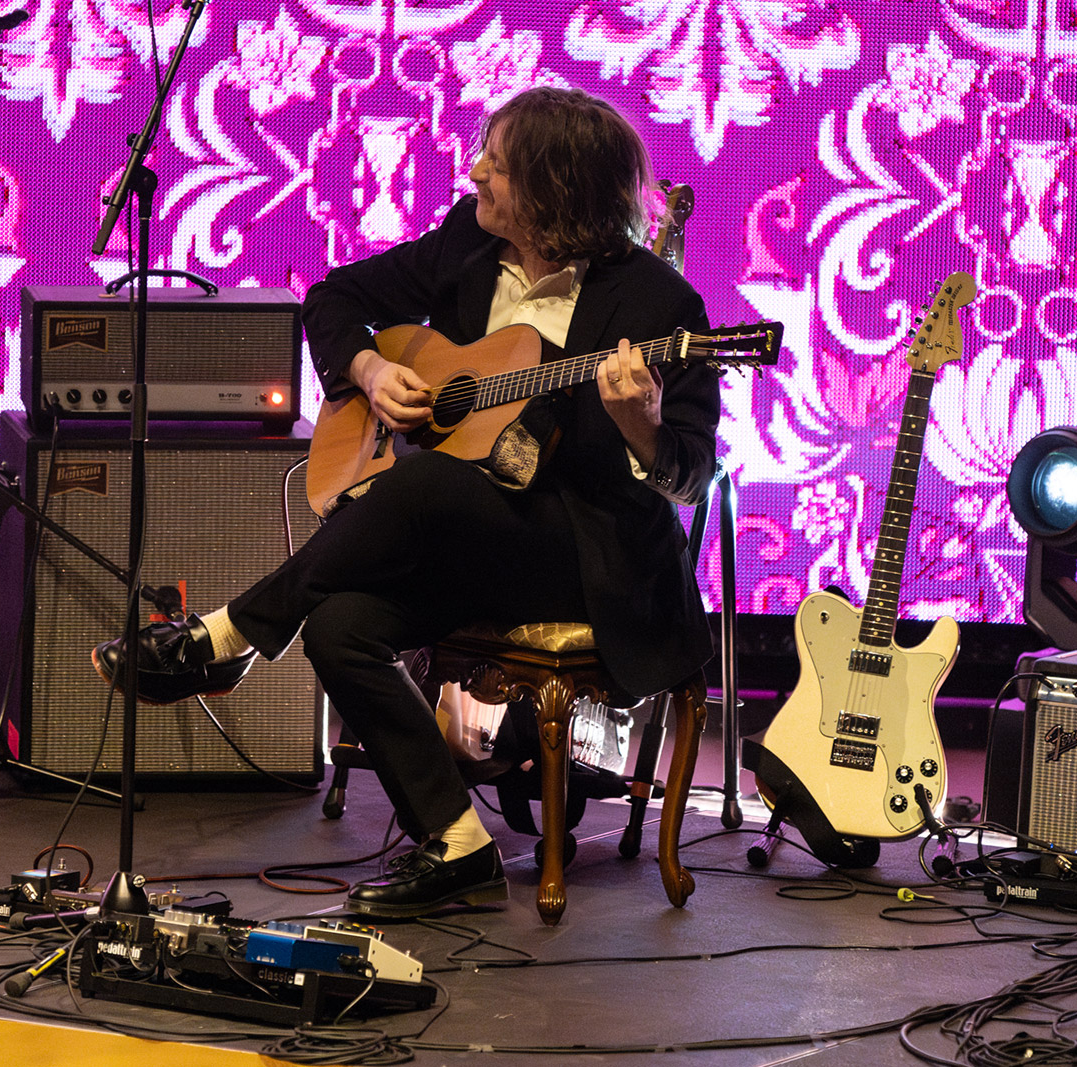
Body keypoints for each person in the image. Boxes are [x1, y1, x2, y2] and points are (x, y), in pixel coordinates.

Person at [93, 86, 720, 918]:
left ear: (553, 190)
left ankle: (230, 633)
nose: (475, 172)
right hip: (469, 539)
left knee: (427, 480)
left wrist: (641, 425)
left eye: (497, 165)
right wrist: (371, 369)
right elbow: (334, 299)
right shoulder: (470, 243)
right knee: (340, 624)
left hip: (587, 558)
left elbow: (689, 474)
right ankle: (458, 843)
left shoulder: (660, 306)